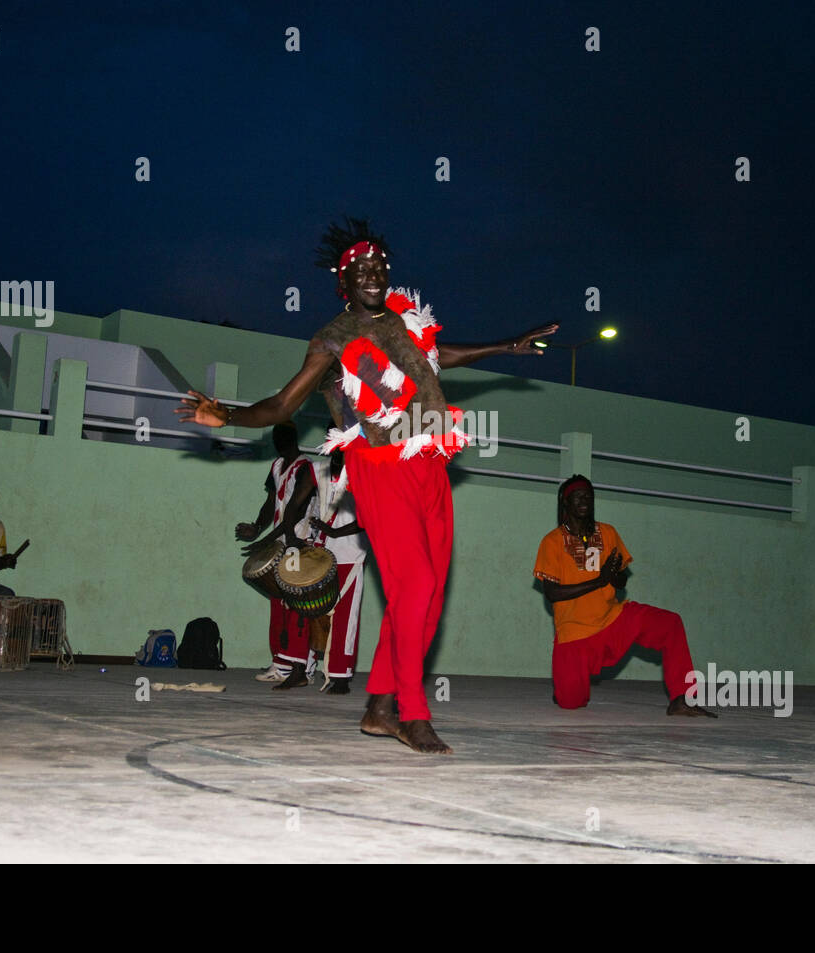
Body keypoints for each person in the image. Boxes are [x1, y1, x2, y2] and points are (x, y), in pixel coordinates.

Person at [178, 218, 555, 753]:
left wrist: (505, 346)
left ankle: (378, 706)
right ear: (344, 280)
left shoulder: (402, 318)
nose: (373, 274)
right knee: (416, 586)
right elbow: (284, 405)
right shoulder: (332, 338)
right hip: (379, 468)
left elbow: (435, 356)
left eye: (379, 266)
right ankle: (411, 712)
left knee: (422, 599)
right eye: (361, 269)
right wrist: (228, 417)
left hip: (430, 461)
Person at [533, 475, 715, 716]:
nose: (584, 500)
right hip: (574, 633)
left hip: (613, 618)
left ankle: (682, 699)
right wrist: (599, 579)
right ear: (566, 504)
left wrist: (613, 575)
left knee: (670, 623)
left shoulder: (607, 533)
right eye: (578, 497)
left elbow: (621, 580)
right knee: (571, 702)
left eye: (588, 496)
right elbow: (552, 593)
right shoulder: (552, 541)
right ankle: (565, 685)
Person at [238, 422, 317, 689]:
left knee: (297, 606)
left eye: (281, 437)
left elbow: (295, 510)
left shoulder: (306, 468)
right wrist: (258, 526)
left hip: (299, 541)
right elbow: (271, 501)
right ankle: (281, 663)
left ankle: (301, 666)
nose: (278, 442)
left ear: (291, 439)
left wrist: (265, 540)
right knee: (278, 604)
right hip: (279, 541)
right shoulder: (276, 466)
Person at [306, 449, 369, 694]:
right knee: (311, 611)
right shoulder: (317, 471)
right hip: (320, 551)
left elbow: (368, 516)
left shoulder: (363, 474)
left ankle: (341, 676)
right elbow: (300, 502)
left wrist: (335, 533)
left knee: (345, 616)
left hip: (350, 553)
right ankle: (305, 667)